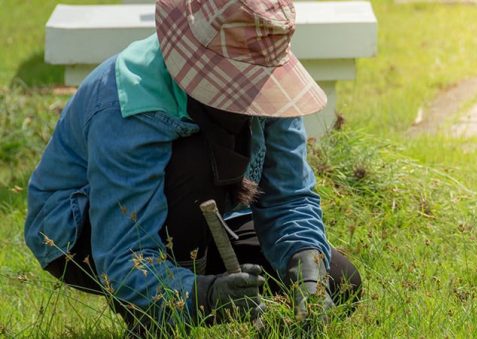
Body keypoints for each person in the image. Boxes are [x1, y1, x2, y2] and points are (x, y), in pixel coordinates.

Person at [23, 0, 361, 334]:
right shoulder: (126, 103)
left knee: (340, 281)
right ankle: (154, 318)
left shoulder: (267, 77)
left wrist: (307, 276)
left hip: (210, 223)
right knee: (193, 162)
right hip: (88, 236)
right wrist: (205, 296)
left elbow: (289, 199)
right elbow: (122, 253)